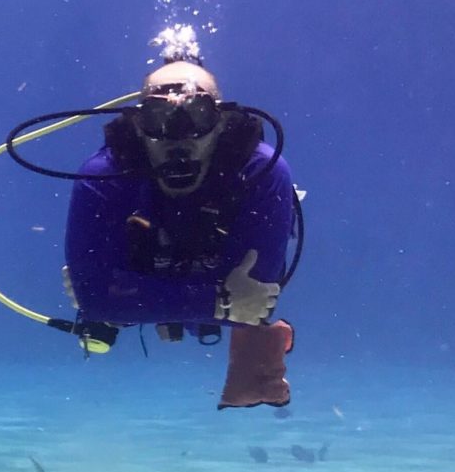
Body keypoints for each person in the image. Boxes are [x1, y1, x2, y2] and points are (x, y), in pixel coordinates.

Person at [64, 59, 297, 408]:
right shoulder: (103, 175)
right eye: (158, 117)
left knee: (252, 315)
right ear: (138, 126)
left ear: (221, 123)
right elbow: (96, 303)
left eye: (197, 114)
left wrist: (122, 296)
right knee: (104, 317)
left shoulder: (262, 169)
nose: (178, 135)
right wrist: (219, 302)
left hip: (155, 282)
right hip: (210, 287)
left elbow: (259, 301)